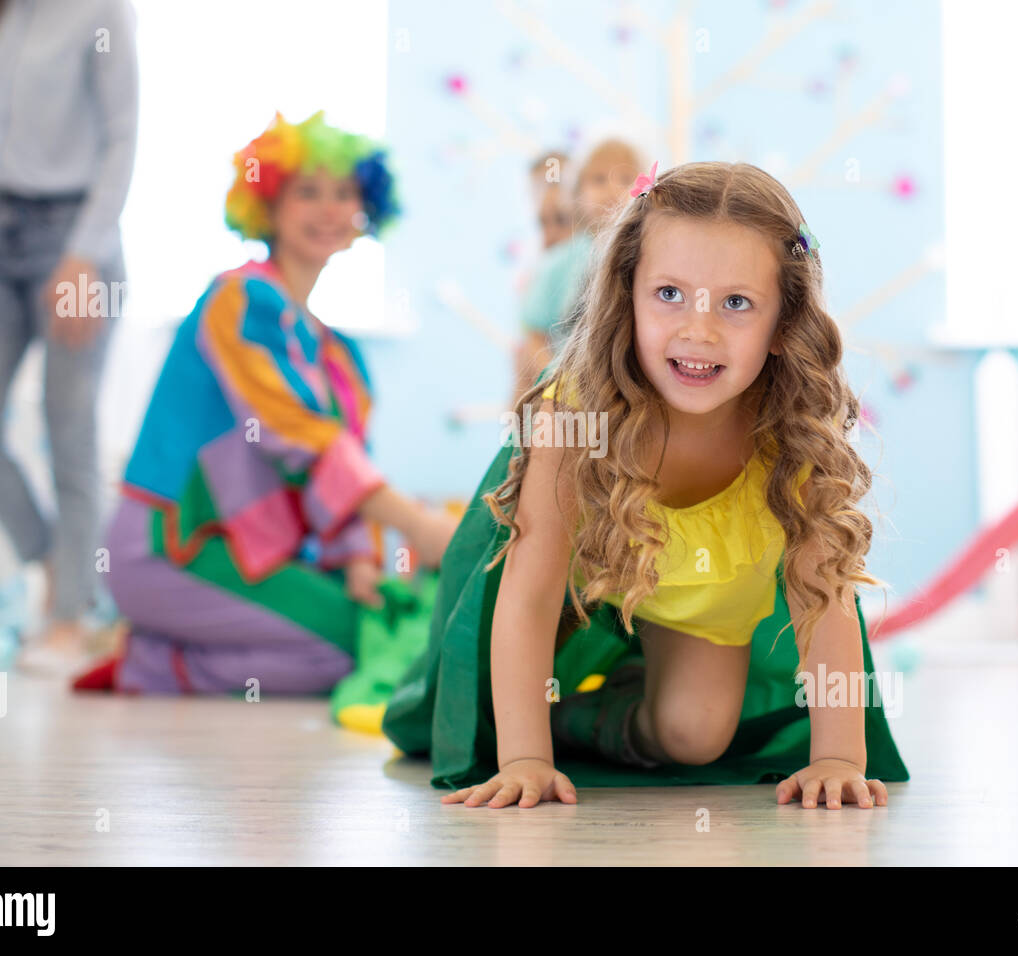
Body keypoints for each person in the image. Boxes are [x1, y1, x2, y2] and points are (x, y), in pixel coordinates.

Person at [382, 161, 909, 806]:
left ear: (784, 323)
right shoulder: (577, 416)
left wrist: (836, 756)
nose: (698, 329)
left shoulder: (791, 433)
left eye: (736, 303)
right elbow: (531, 586)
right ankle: (526, 728)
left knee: (695, 736)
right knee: (480, 703)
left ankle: (584, 715)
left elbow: (824, 603)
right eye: (669, 294)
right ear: (626, 293)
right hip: (579, 570)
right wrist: (522, 760)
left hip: (692, 599)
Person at [71, 112, 459, 694]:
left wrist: (360, 560)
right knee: (346, 649)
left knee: (372, 632)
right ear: (269, 204)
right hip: (166, 544)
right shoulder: (241, 299)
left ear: (365, 212)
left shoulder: (339, 355)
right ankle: (149, 666)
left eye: (344, 193)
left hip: (248, 552)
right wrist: (420, 526)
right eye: (308, 192)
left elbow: (344, 461)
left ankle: (161, 647)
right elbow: (299, 436)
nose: (329, 209)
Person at [0, 0, 139, 672]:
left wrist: (81, 256)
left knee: (67, 427)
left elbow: (121, 137)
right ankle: (57, 562)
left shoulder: (100, 10)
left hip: (73, 237)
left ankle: (71, 615)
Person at [511, 139, 641, 406]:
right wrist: (555, 382)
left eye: (625, 178)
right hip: (565, 392)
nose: (612, 189)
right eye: (599, 179)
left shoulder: (647, 258)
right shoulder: (560, 263)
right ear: (577, 192)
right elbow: (535, 334)